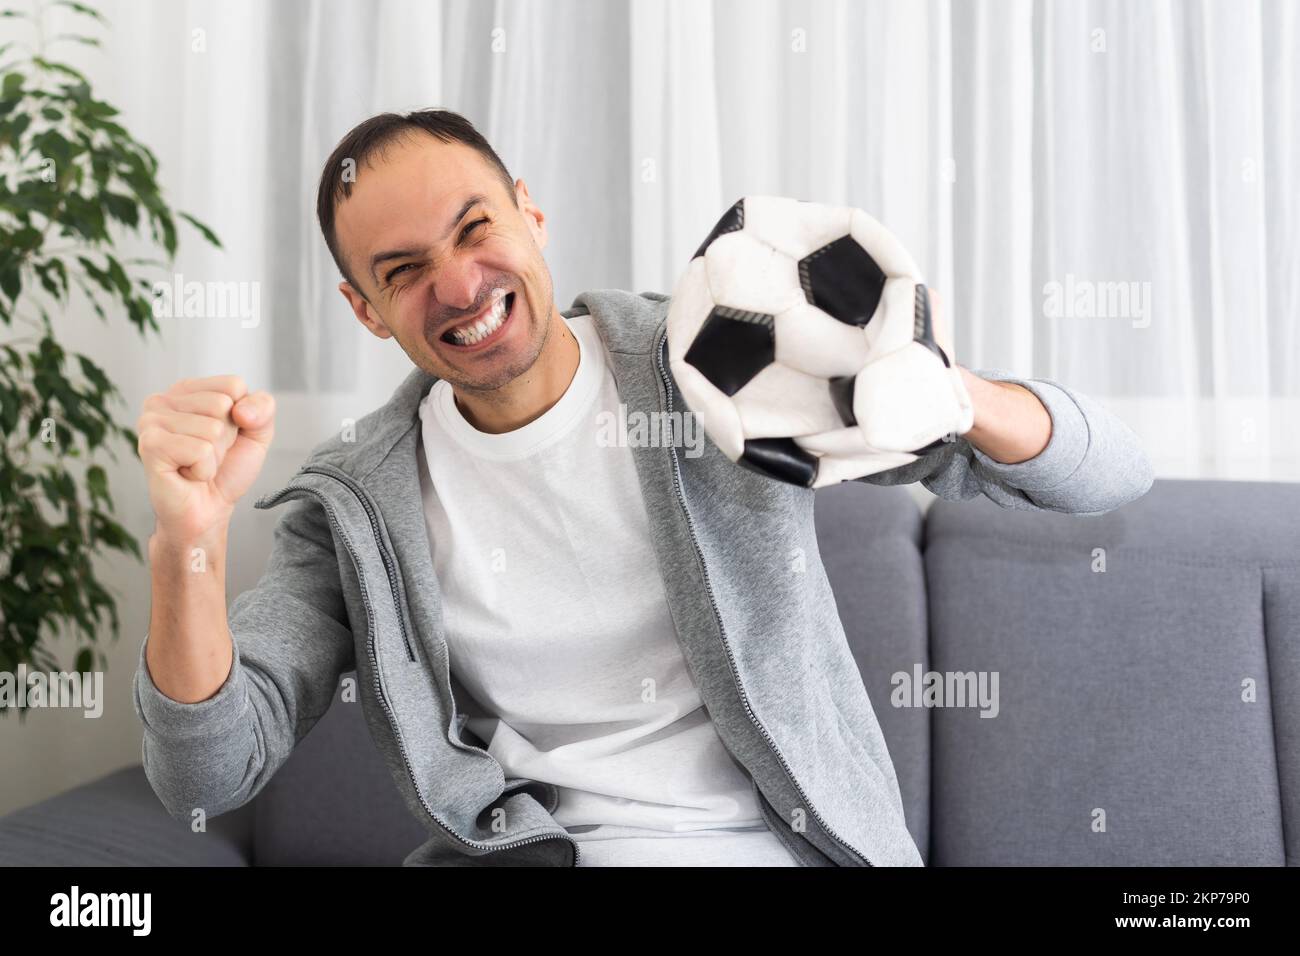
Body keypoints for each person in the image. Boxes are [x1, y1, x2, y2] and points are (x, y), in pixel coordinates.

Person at [132, 109, 1154, 867]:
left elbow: (1109, 473)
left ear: (529, 212)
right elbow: (207, 774)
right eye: (402, 270)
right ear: (367, 311)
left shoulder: (723, 365)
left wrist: (934, 381)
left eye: (475, 226)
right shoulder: (357, 503)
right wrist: (193, 534)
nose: (456, 284)